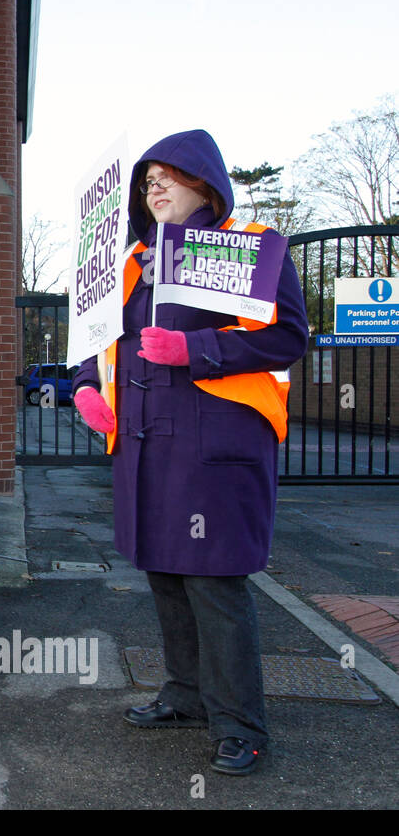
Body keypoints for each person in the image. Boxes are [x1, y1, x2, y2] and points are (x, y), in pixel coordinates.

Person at [72, 130, 309, 775]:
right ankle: (185, 695)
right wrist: (87, 389)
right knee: (167, 573)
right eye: (147, 180)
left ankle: (241, 725)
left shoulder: (250, 249)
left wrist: (199, 351)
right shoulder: (131, 265)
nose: (154, 188)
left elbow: (288, 336)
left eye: (168, 176)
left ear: (205, 183)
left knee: (214, 581)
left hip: (215, 449)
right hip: (148, 448)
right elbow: (96, 345)